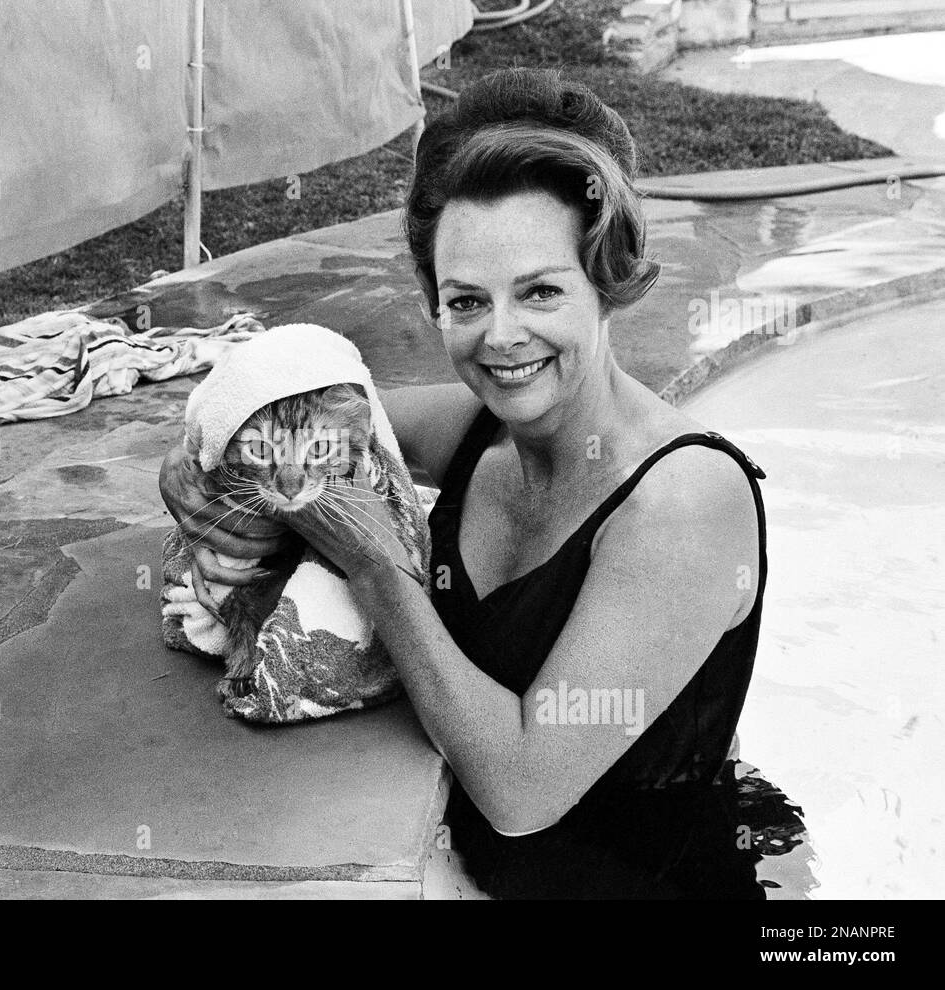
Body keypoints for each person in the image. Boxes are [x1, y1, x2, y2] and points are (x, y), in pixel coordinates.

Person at [159, 67, 792, 898]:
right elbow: (287, 422)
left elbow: (522, 791)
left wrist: (376, 568)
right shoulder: (476, 431)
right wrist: (208, 460)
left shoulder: (682, 502)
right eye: (466, 302)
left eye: (539, 292)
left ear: (604, 281)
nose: (501, 337)